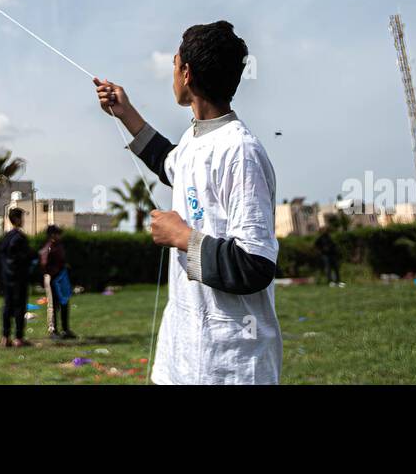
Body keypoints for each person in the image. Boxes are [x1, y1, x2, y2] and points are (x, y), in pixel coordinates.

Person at [94, 20, 282, 385]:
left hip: (232, 365)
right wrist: (125, 112)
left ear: (186, 72)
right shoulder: (194, 141)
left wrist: (182, 237)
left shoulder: (241, 151)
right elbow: (168, 162)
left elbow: (255, 265)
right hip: (182, 359)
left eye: (174, 64)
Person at [0, 208, 33, 347]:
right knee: (19, 307)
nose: (23, 220)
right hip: (19, 277)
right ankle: (19, 337)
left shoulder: (5, 238)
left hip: (6, 277)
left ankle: (5, 337)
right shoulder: (20, 238)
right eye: (22, 217)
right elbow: (25, 257)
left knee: (7, 306)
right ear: (17, 219)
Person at [39, 225, 76, 339]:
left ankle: (65, 329)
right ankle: (53, 330)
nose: (60, 236)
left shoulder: (58, 246)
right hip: (53, 278)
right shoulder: (49, 248)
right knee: (53, 305)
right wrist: (55, 272)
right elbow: (45, 265)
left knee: (64, 303)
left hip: (60, 278)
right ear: (52, 235)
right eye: (58, 234)